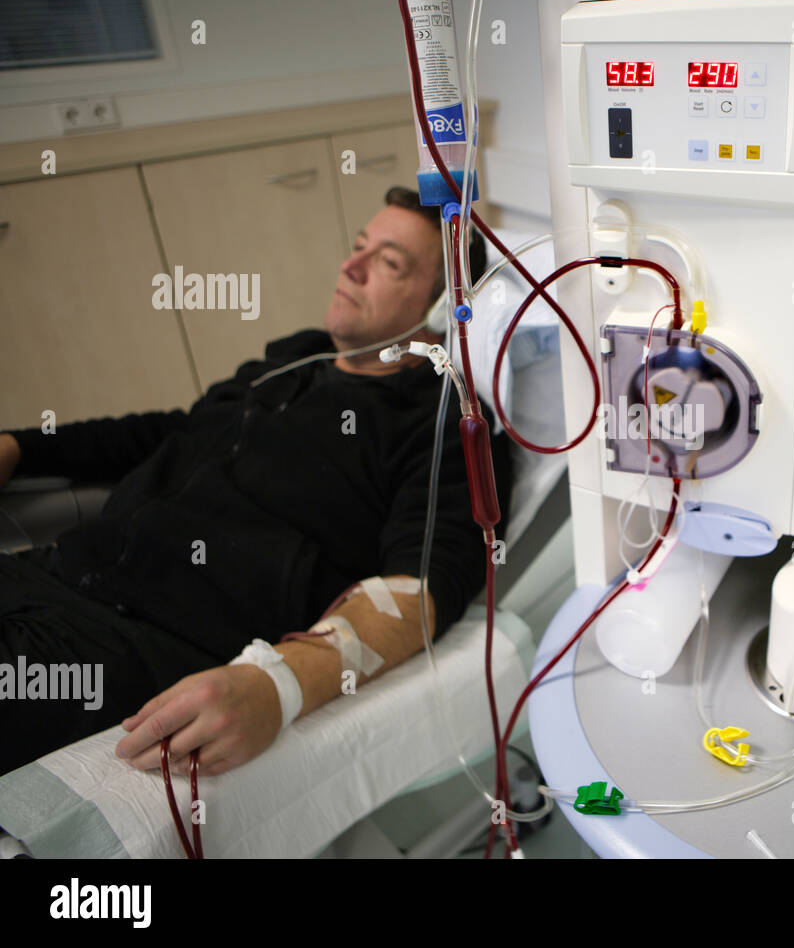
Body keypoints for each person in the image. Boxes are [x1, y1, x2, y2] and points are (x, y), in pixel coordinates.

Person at [0, 187, 512, 776]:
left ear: (444, 309)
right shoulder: (293, 360)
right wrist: (22, 444)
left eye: (388, 263)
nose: (350, 266)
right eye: (358, 247)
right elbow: (174, 431)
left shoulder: (444, 423)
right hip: (51, 570)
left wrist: (278, 685)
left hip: (126, 639)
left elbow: (420, 589)